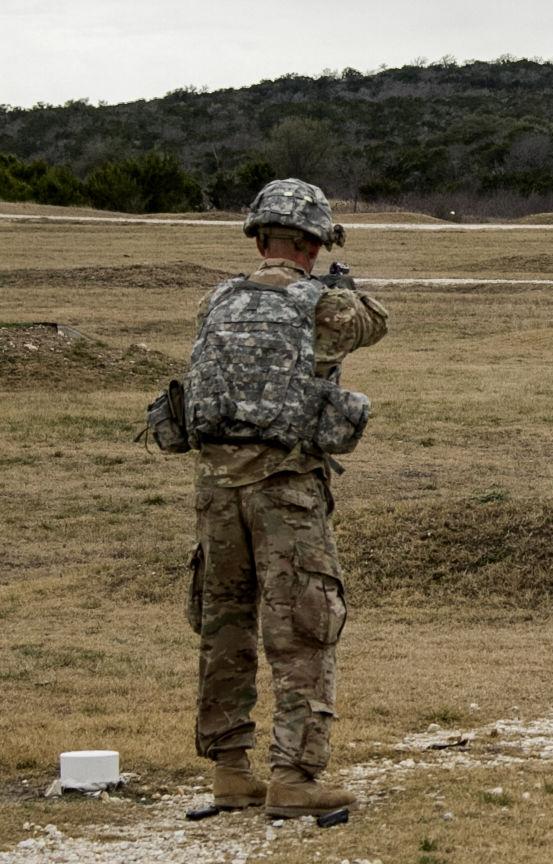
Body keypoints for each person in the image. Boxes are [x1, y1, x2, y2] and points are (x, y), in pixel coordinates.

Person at [184, 178, 388, 818]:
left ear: (259, 238)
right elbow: (375, 322)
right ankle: (294, 777)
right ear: (313, 243)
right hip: (285, 489)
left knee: (225, 626)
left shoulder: (218, 299)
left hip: (217, 490)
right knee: (303, 627)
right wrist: (341, 289)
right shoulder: (323, 305)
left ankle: (230, 771)